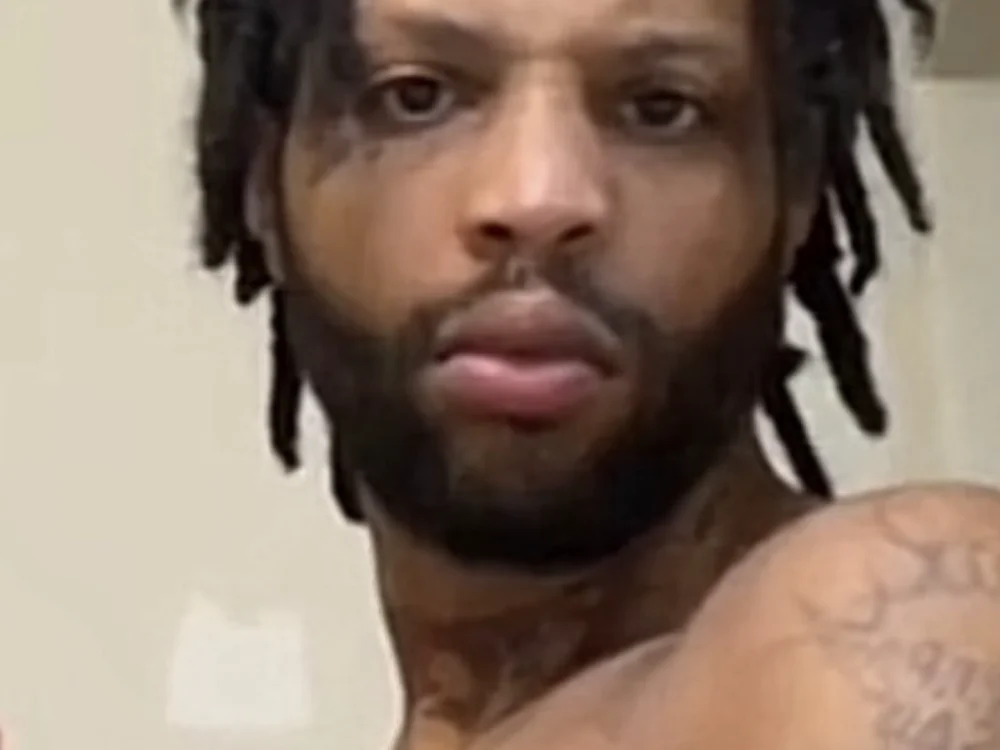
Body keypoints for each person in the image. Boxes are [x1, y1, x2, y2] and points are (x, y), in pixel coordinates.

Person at [177, 0, 1000, 747]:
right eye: (416, 96)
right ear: (263, 182)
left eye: (662, 107)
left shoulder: (898, 623)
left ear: (795, 197)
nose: (538, 198)